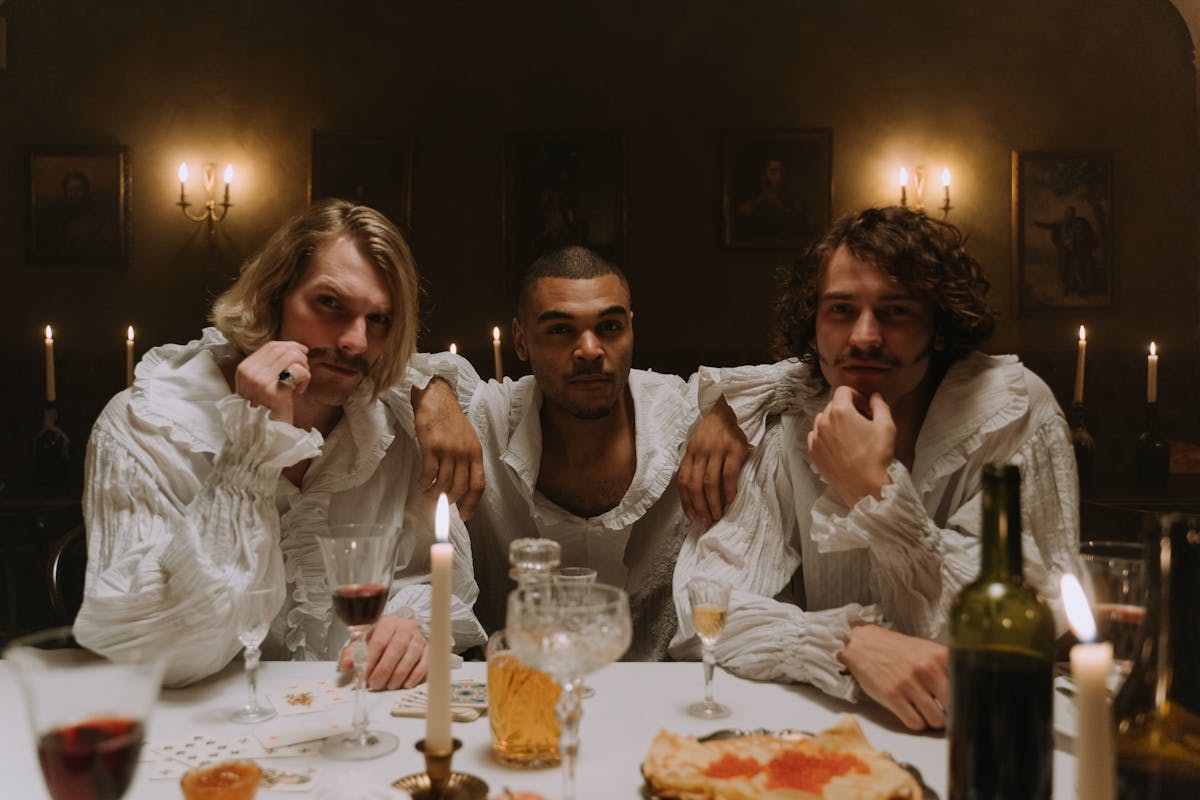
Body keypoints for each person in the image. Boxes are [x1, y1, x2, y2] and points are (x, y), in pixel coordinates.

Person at [673, 206, 1084, 730]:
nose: (865, 336)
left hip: (984, 730)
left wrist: (874, 490)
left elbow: (1015, 627)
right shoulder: (789, 420)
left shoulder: (1012, 413)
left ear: (938, 326)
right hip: (826, 725)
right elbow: (702, 610)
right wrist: (849, 644)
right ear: (814, 327)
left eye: (895, 312)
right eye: (841, 310)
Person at [73, 199, 487, 687]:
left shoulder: (394, 428)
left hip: (352, 719)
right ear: (272, 298)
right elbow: (162, 655)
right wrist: (252, 452)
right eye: (329, 303)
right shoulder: (146, 426)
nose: (355, 341)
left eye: (378, 320)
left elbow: (433, 577)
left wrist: (409, 626)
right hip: (202, 730)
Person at [421, 246, 748, 661]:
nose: (590, 349)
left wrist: (732, 407)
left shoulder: (689, 416)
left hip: (663, 706)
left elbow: (804, 374)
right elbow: (386, 368)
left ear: (632, 329)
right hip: (516, 699)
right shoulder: (485, 416)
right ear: (520, 340)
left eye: (609, 326)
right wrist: (434, 391)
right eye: (560, 330)